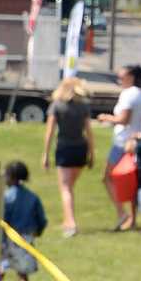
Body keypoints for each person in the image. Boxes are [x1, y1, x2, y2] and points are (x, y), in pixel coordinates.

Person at [98, 63, 141, 231]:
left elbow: (124, 119)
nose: (119, 79)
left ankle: (123, 214)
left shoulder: (128, 94)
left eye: (122, 76)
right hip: (138, 141)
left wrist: (106, 117)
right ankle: (131, 218)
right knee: (132, 181)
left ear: (131, 77)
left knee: (109, 177)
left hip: (123, 143)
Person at [41, 74, 93, 236]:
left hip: (64, 148)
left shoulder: (57, 105)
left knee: (65, 188)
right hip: (81, 148)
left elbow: (50, 132)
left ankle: (70, 223)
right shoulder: (83, 106)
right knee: (69, 187)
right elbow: (89, 132)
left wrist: (45, 154)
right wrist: (92, 153)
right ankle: (67, 220)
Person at [0, 160, 47, 281]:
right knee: (23, 277)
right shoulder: (32, 197)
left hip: (6, 241)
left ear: (11, 177)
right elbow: (41, 219)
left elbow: (1, 219)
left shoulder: (5, 197)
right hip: (25, 240)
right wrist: (37, 232)